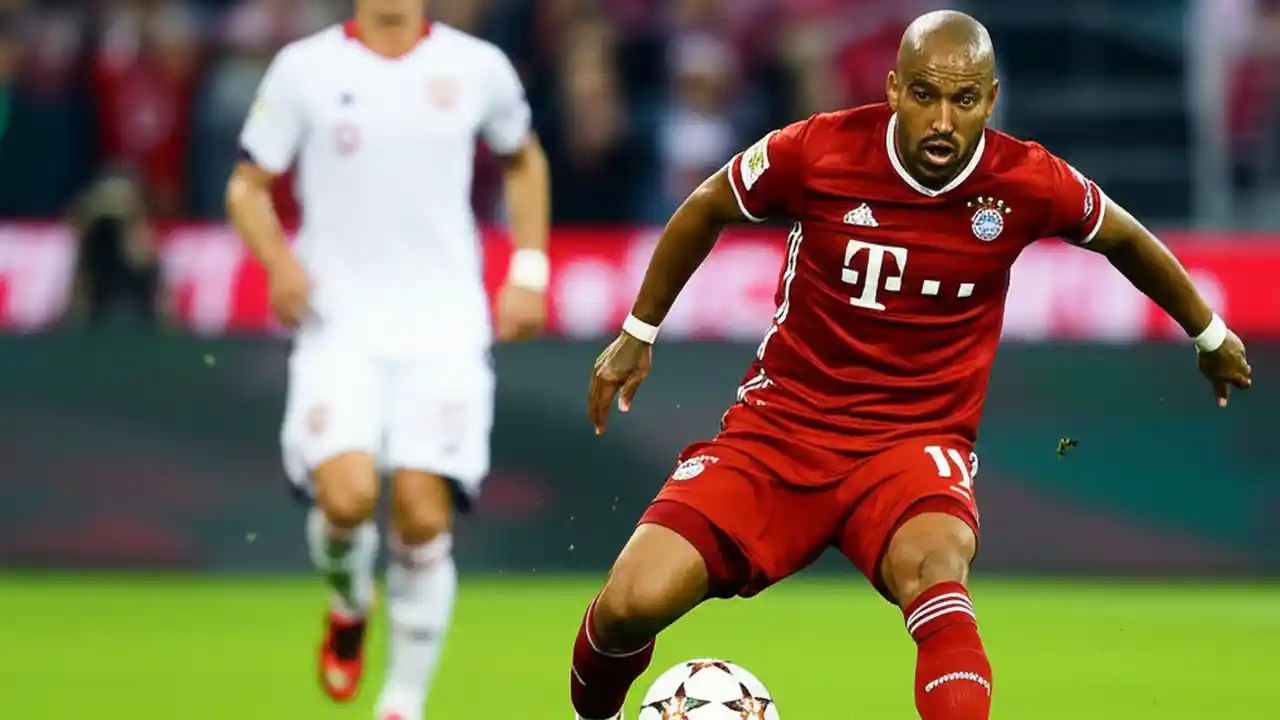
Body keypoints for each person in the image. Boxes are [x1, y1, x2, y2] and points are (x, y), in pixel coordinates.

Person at [572, 10, 1252, 720]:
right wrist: (638, 330)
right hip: (780, 433)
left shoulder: (1026, 180)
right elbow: (709, 203)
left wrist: (1208, 335)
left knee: (939, 572)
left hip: (913, 446)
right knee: (629, 603)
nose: (942, 120)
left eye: (964, 101)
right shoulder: (819, 150)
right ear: (894, 88)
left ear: (990, 100)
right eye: (925, 94)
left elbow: (1126, 237)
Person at [225, 2, 550, 719]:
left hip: (444, 327)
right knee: (343, 498)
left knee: (422, 516)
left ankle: (401, 702)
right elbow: (246, 185)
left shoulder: (476, 67)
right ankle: (348, 602)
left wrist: (528, 271)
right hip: (338, 323)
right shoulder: (305, 69)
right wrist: (278, 261)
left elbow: (524, 157)